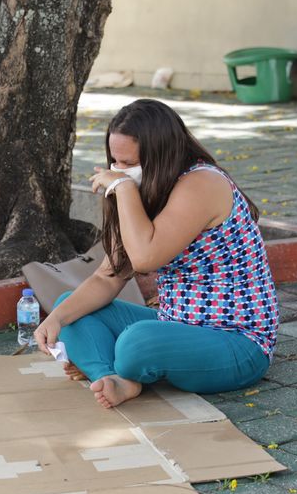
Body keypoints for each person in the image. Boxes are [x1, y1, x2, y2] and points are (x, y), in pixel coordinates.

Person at [34, 99, 279, 409]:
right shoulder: (147, 190)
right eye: (115, 162)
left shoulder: (201, 183)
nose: (118, 171)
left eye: (129, 164)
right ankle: (113, 379)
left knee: (137, 342)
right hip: (174, 324)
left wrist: (123, 188)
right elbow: (108, 278)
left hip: (236, 343)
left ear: (162, 156)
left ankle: (116, 364)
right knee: (67, 307)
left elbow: (146, 258)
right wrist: (53, 321)